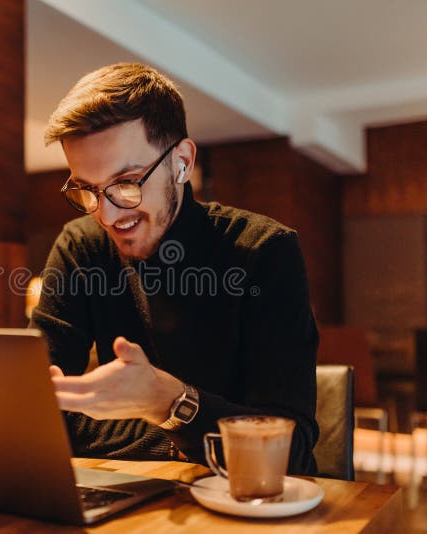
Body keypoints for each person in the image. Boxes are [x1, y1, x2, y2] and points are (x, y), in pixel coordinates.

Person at [30, 63, 319, 474]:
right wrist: (176, 438)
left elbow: (290, 451)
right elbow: (35, 415)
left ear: (181, 162)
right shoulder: (80, 247)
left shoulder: (265, 252)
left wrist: (168, 402)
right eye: (88, 191)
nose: (107, 215)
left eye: (127, 182)